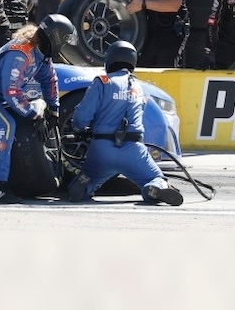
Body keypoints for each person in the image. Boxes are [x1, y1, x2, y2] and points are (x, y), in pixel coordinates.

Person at [0, 14, 75, 203]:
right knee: (5, 126)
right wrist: (34, 115)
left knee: (15, 123)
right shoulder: (20, 53)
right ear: (54, 38)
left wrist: (54, 110)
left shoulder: (41, 53)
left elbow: (50, 80)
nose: (64, 46)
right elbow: (12, 93)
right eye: (64, 41)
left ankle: (9, 178)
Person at [67, 41, 184, 206]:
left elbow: (82, 116)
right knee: (155, 177)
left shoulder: (103, 81)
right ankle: (155, 188)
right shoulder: (139, 87)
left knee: (91, 177)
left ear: (109, 60)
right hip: (133, 149)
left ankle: (84, 183)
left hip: (102, 149)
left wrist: (78, 128)